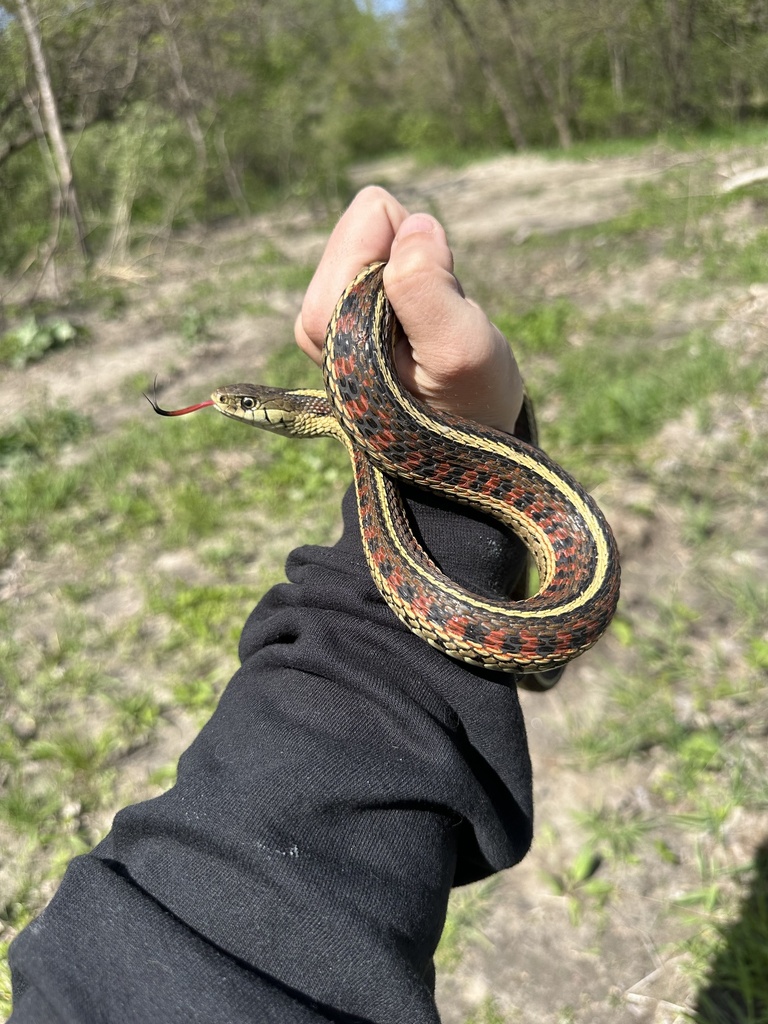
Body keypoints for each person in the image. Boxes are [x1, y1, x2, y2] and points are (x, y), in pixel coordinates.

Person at [8, 187, 535, 1023]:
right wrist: (466, 441)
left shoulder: (350, 412)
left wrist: (442, 439)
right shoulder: (354, 417)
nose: (237, 411)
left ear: (287, 413)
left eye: (249, 406)